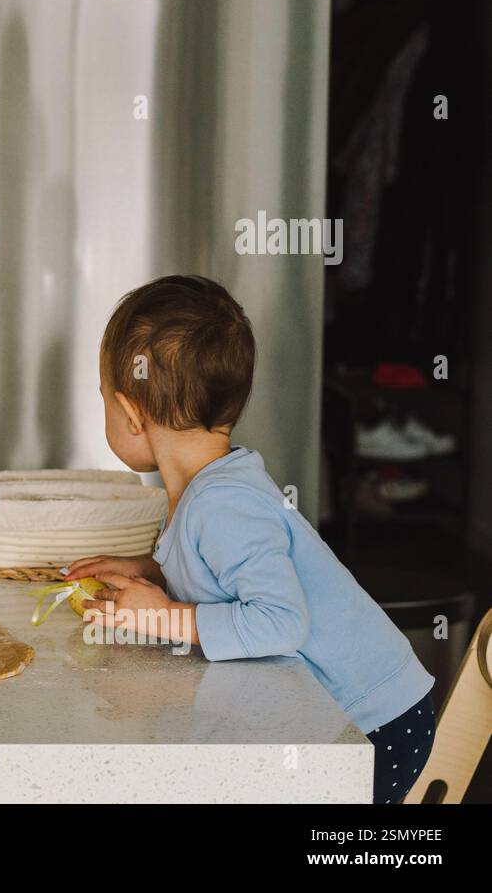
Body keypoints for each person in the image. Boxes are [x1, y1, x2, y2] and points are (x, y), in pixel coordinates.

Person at [65, 275, 435, 804]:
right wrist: (152, 573)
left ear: (129, 413)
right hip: (348, 713)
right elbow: (222, 577)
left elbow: (281, 621)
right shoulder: (207, 491)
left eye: (102, 397)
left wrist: (163, 617)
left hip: (371, 722)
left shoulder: (222, 504)